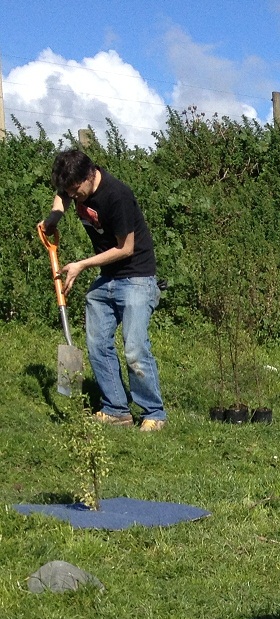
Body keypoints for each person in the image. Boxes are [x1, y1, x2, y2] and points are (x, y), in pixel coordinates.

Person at [43, 149, 167, 430]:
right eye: (70, 192)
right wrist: (54, 218)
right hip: (107, 279)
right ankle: (116, 409)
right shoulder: (74, 188)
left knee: (134, 348)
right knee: (97, 343)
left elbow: (126, 248)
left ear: (89, 176)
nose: (73, 197)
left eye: (77, 191)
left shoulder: (116, 195)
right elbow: (62, 196)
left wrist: (81, 265)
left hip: (137, 276)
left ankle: (154, 413)